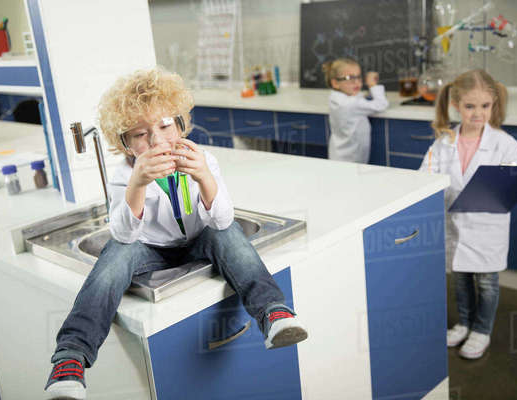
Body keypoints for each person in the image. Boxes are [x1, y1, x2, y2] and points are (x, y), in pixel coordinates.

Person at [44, 68, 308, 399]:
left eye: (165, 125)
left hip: (202, 238)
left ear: (180, 123)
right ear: (123, 142)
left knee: (227, 238)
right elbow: (124, 234)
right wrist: (137, 183)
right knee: (114, 257)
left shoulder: (202, 159)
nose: (156, 140)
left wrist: (204, 177)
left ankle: (273, 313)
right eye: (140, 134)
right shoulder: (124, 174)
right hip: (148, 248)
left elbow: (224, 220)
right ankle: (70, 359)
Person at [419, 69, 517, 360]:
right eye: (470, 106)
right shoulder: (444, 142)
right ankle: (464, 323)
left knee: (487, 283)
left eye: (485, 106)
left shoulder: (504, 143)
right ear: (455, 105)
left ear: (494, 105)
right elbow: (424, 176)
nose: (478, 113)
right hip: (454, 226)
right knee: (460, 280)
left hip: (488, 229)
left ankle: (482, 330)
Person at [322, 57, 389, 163]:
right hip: (352, 159)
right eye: (350, 78)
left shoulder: (335, 97)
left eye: (359, 77)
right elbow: (381, 105)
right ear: (335, 83)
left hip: (338, 154)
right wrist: (373, 85)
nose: (357, 83)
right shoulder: (351, 104)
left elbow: (356, 98)